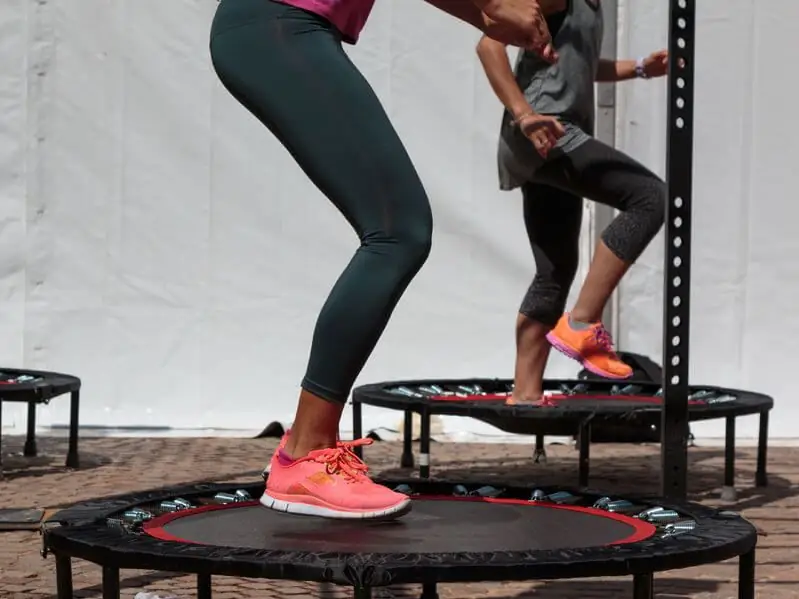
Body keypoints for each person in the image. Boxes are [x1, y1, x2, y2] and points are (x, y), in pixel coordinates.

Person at [208, 0, 556, 520]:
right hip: (277, 23)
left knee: (401, 231)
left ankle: (307, 448)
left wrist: (484, 16)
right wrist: (490, 7)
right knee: (397, 231)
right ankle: (305, 453)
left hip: (282, 28)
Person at [475, 0, 670, 405]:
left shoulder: (592, 8)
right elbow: (488, 46)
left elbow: (582, 65)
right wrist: (524, 114)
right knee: (649, 196)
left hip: (546, 138)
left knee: (555, 271)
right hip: (545, 131)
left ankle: (525, 393)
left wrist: (638, 69)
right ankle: (582, 322)